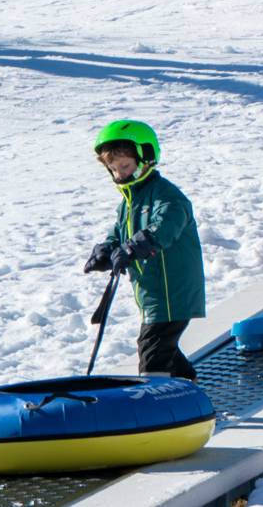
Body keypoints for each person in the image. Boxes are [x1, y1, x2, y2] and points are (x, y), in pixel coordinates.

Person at [84, 120, 205, 380]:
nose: (120, 174)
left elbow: (164, 227)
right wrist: (106, 250)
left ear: (146, 158)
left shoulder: (167, 197)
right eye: (113, 169)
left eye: (125, 166)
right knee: (162, 349)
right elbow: (118, 232)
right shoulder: (130, 201)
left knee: (153, 352)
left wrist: (135, 246)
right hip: (153, 292)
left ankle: (157, 404)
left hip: (173, 291)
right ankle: (189, 390)